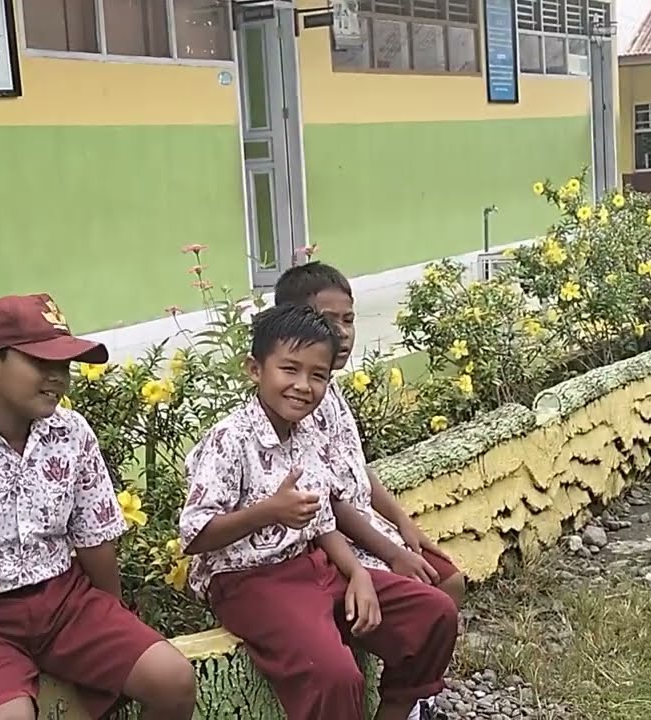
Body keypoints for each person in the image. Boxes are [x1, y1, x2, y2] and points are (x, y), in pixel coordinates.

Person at [0, 293, 196, 720]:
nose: (57, 377)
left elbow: (95, 540)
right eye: (41, 363)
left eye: (64, 365)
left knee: (173, 680)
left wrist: (116, 623)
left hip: (67, 603)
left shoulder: (72, 433)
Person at [179, 303, 459, 720]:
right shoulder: (229, 440)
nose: (303, 386)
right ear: (255, 369)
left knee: (434, 613)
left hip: (314, 566)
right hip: (248, 581)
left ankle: (397, 710)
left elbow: (323, 521)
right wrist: (268, 511)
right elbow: (195, 534)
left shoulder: (307, 434)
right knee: (334, 676)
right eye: (289, 370)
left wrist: (358, 573)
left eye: (318, 375)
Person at [275, 262, 466, 720]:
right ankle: (401, 701)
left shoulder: (331, 392)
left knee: (450, 581)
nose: (342, 333)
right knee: (428, 590)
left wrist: (403, 525)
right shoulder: (298, 402)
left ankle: (412, 696)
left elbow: (358, 471)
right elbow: (329, 503)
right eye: (328, 321)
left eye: (349, 319)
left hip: (368, 528)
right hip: (337, 542)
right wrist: (392, 552)